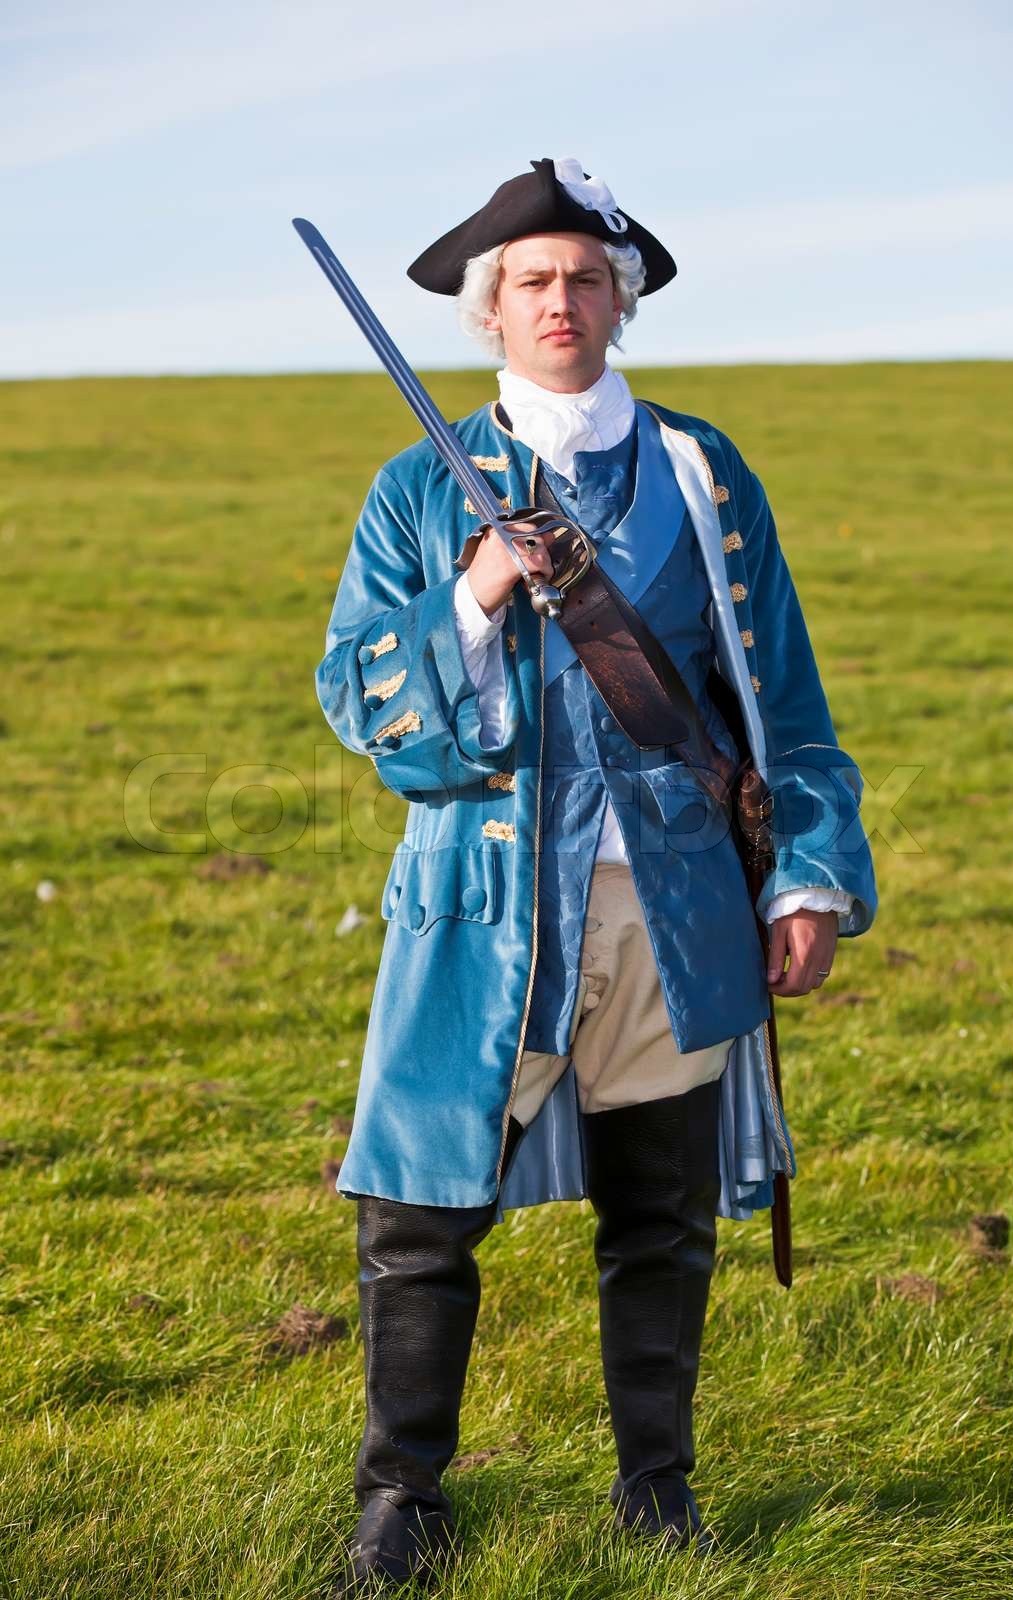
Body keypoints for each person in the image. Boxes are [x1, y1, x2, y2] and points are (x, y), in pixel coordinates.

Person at [315, 157, 878, 1594]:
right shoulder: (414, 487)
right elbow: (360, 699)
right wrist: (477, 598)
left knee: (661, 1212)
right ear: (486, 313)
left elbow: (783, 703)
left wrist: (805, 879)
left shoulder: (705, 472)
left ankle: (659, 1490)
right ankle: (405, 1502)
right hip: (483, 906)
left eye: (582, 277)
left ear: (618, 301)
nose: (558, 300)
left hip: (674, 903)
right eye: (530, 282)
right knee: (418, 1216)